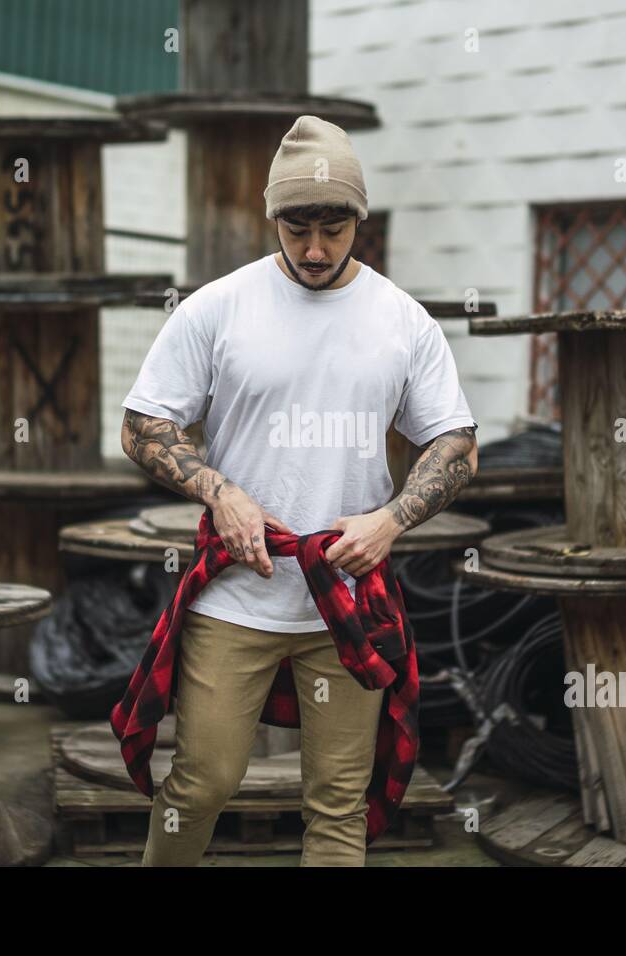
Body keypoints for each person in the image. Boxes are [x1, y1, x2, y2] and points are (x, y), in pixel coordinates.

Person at [120, 114, 478, 866]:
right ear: (272, 217)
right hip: (238, 598)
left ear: (360, 219)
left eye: (334, 226)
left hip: (345, 597)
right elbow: (143, 425)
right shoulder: (219, 308)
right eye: (297, 226)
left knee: (338, 806)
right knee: (202, 782)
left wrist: (390, 519)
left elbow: (455, 444)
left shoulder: (401, 321)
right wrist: (219, 490)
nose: (315, 248)